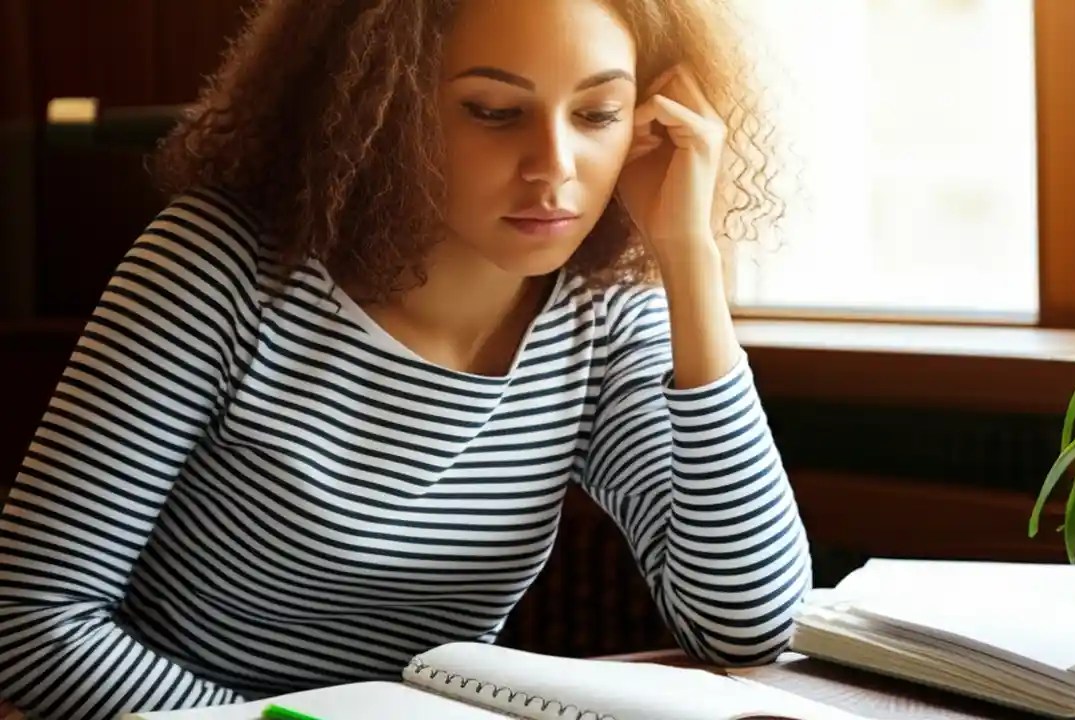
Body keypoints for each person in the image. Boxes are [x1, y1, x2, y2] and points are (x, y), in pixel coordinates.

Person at [0, 0, 812, 717]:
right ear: (376, 105)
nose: (555, 168)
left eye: (598, 114)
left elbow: (749, 620)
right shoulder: (220, 267)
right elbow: (32, 625)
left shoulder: (603, 317)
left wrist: (688, 258)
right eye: (494, 111)